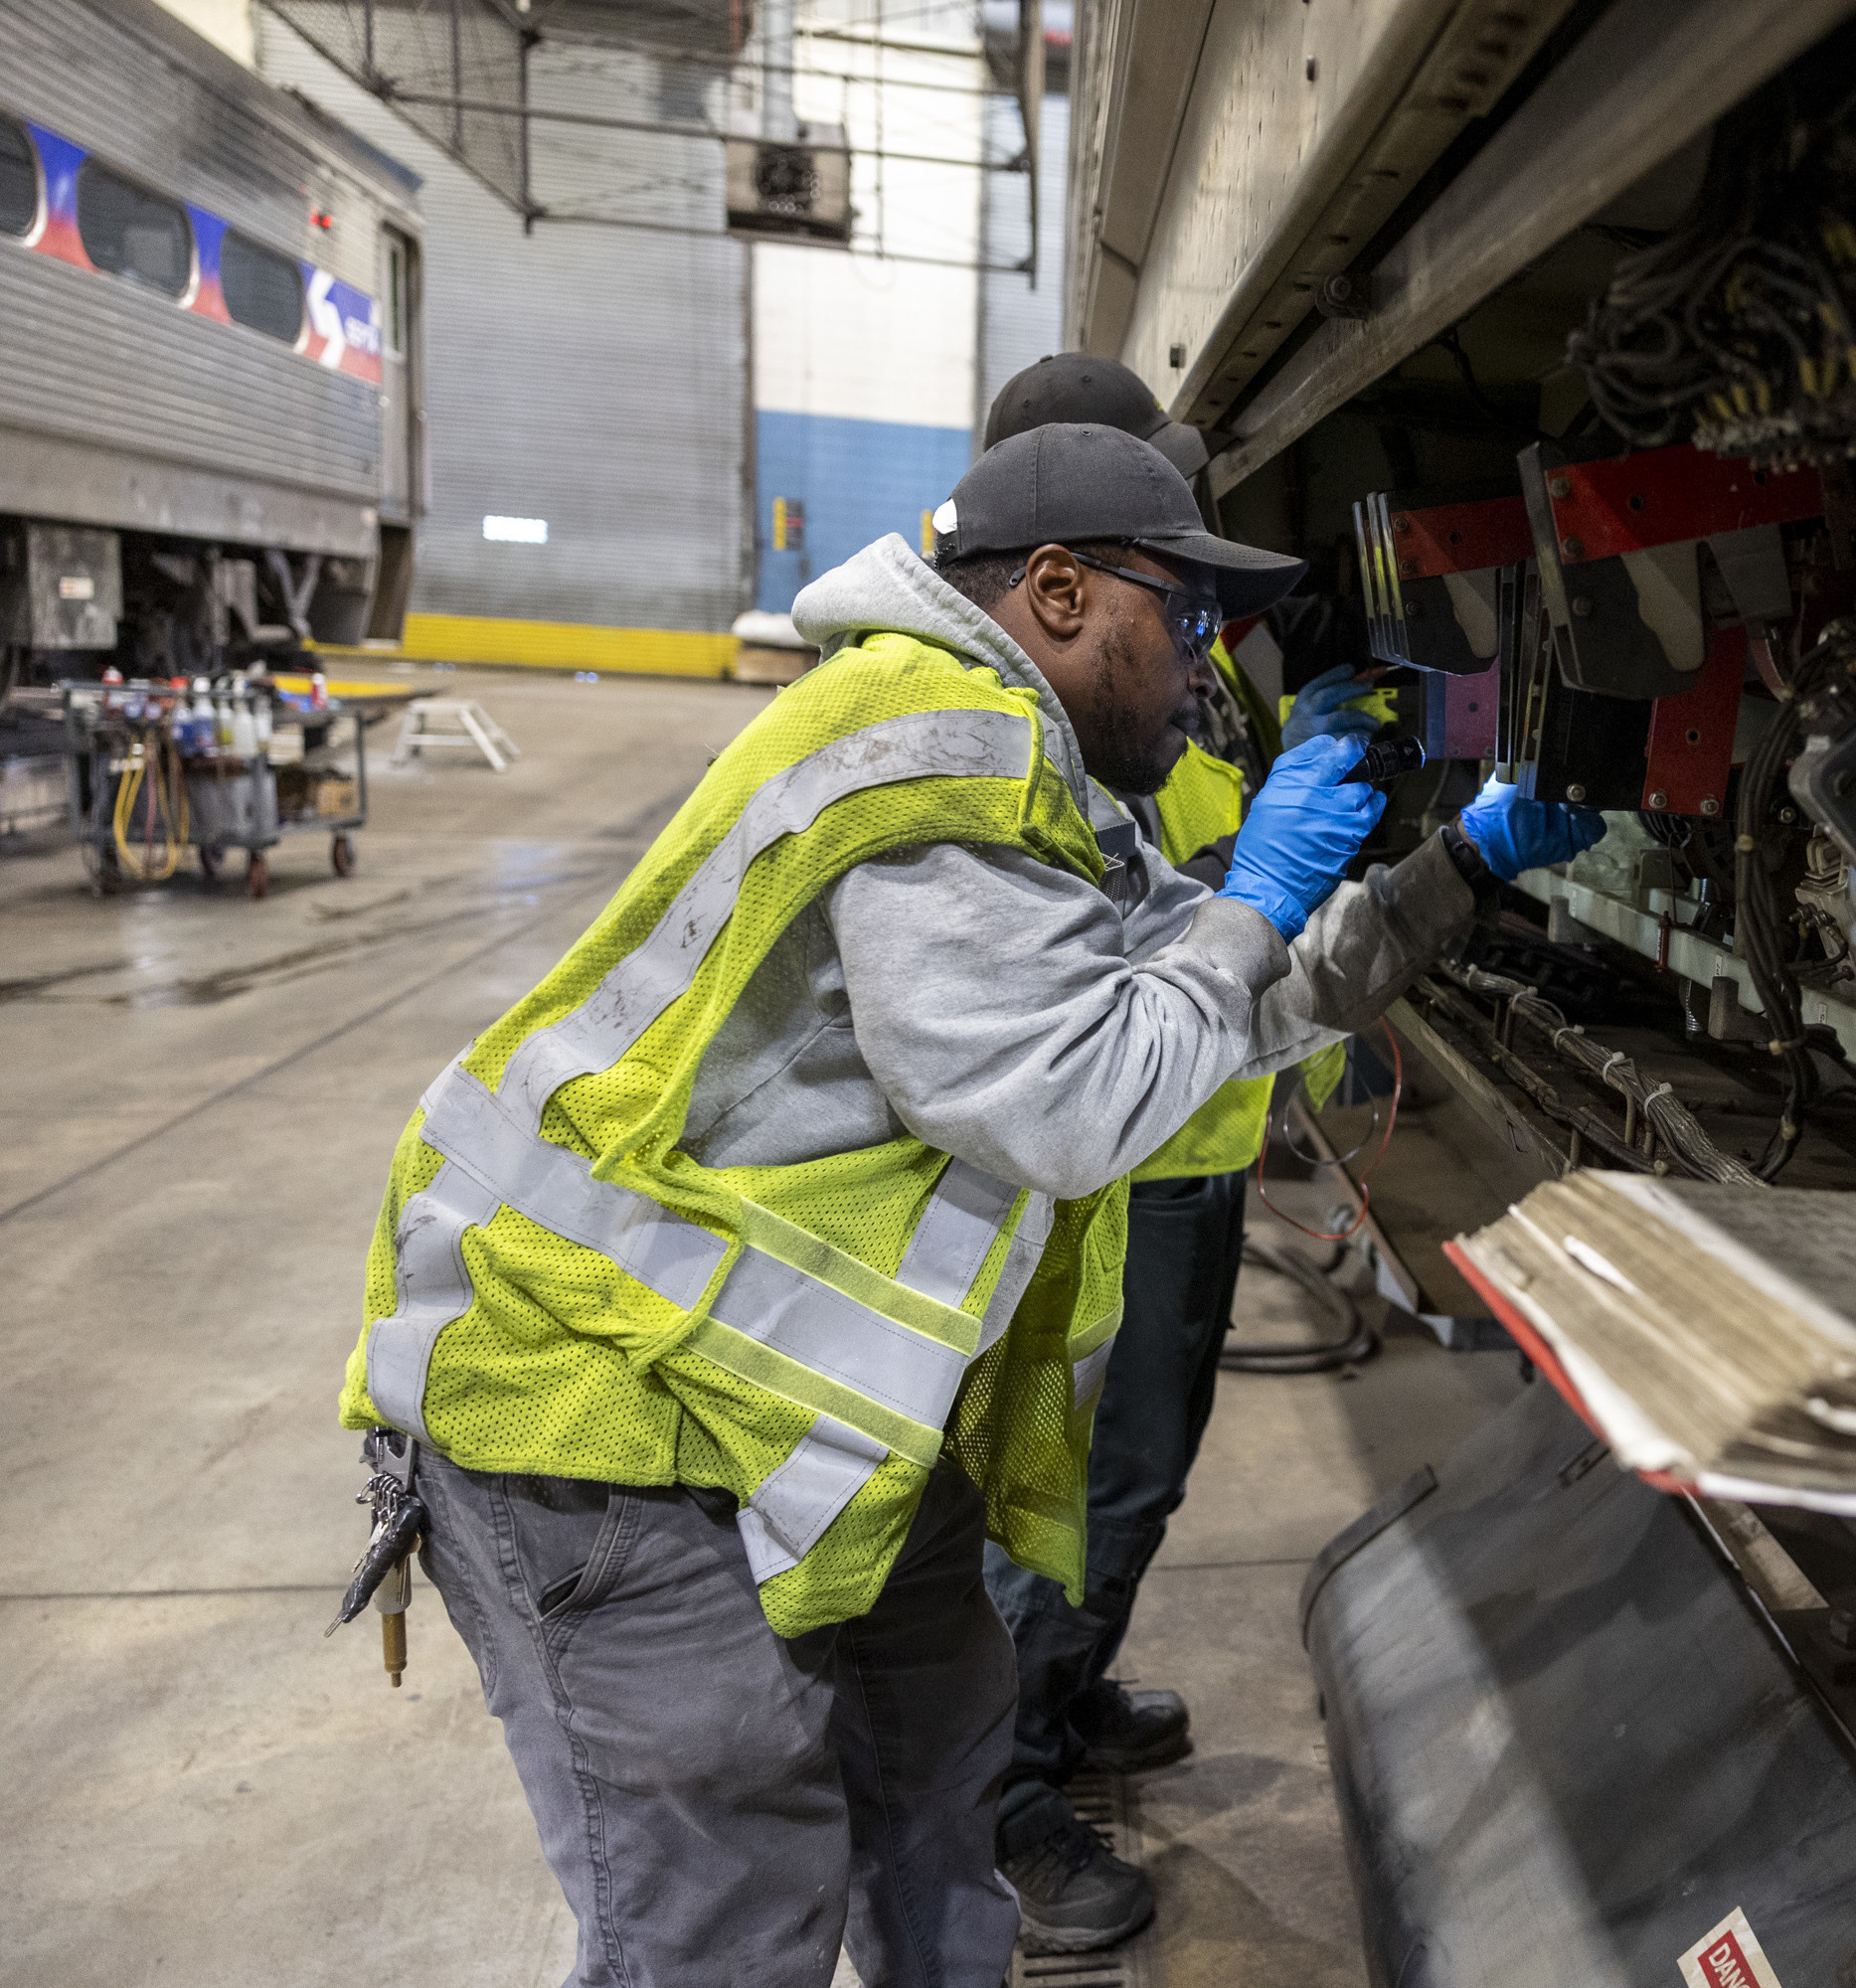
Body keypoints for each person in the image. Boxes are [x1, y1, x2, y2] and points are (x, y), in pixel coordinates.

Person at [337, 418, 1600, 1987]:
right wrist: (1259, 893)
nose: (1207, 661)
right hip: (604, 1421)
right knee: (724, 1928)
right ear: (1060, 590)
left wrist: (1453, 875)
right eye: (1183, 614)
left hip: (812, 1431)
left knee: (944, 1817)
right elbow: (1070, 1099)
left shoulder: (1040, 787)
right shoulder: (933, 742)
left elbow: (1211, 1014)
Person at [964, 356, 1516, 1953]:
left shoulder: (1165, 667)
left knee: (1135, 1474)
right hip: (1104, 1152)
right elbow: (1123, 941)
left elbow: (1211, 930)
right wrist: (1263, 853)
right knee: (1067, 1491)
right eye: (1165, 539)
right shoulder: (1017, 714)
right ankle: (999, 1797)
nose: (1190, 571)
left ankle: (1051, 1714)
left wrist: (1444, 857)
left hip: (1190, 1115)